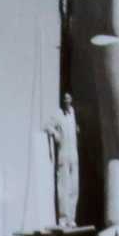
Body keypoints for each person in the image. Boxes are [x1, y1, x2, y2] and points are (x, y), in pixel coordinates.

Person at [44, 91, 80, 228]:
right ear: (62, 100)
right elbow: (47, 126)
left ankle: (71, 217)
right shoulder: (58, 114)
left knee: (74, 187)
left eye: (69, 98)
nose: (67, 101)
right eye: (65, 99)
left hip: (73, 154)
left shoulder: (73, 113)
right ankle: (63, 218)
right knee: (64, 186)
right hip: (63, 153)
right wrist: (55, 133)